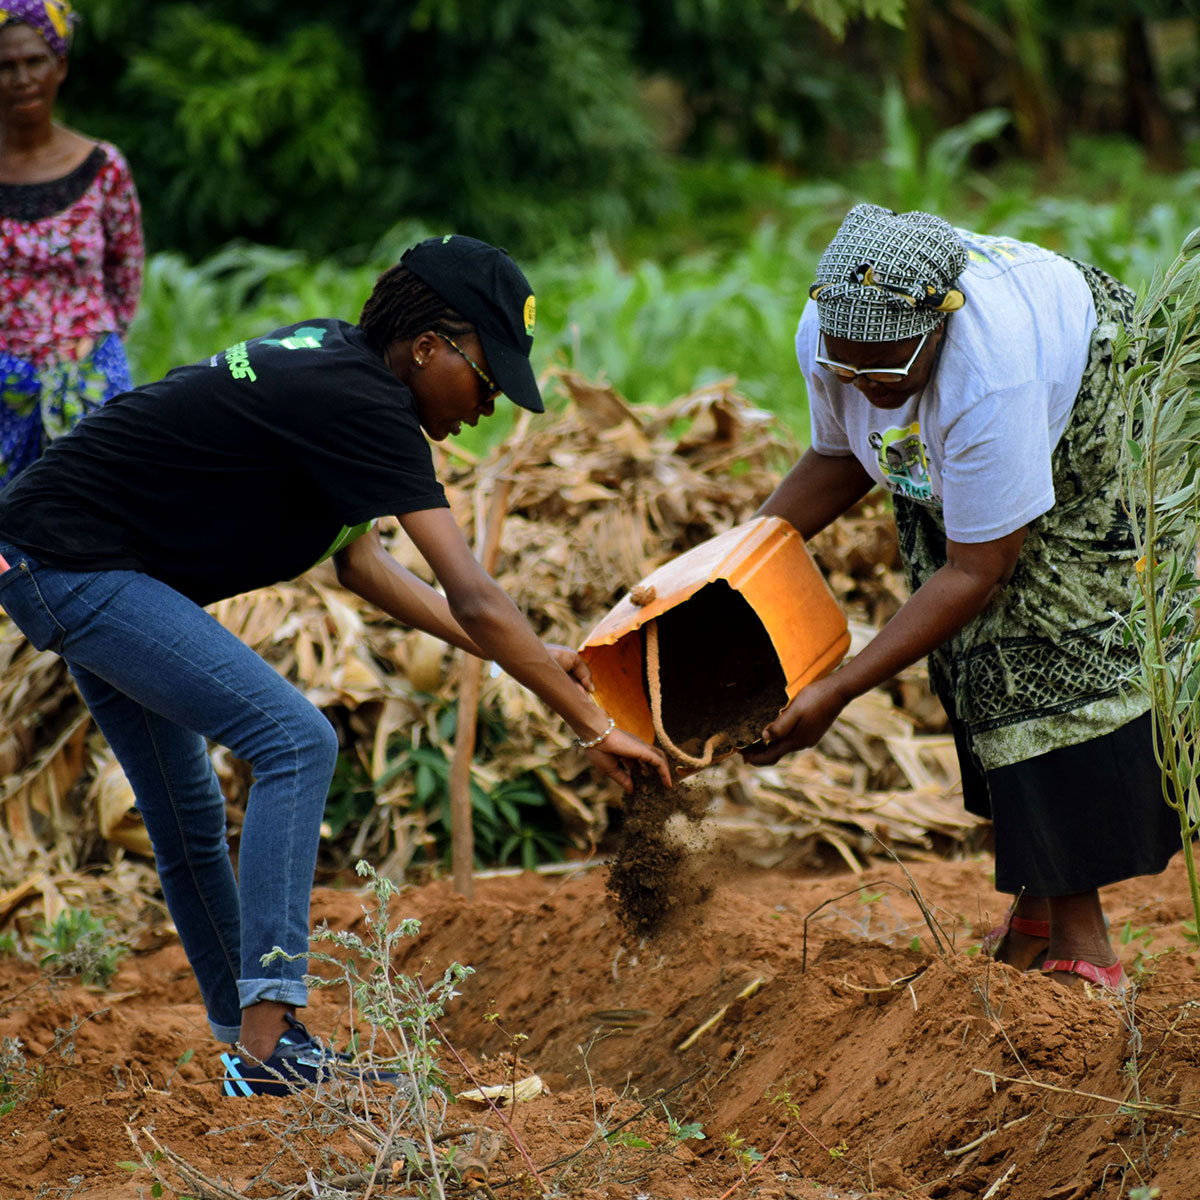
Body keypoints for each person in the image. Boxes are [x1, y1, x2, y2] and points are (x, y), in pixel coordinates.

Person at [0, 233, 672, 1095]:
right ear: (428, 345)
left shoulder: (342, 372)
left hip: (72, 562)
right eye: (486, 376)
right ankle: (274, 1041)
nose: (489, 403)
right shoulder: (365, 404)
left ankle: (248, 1049)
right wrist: (591, 727)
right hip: (74, 563)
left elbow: (364, 566)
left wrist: (528, 654)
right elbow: (470, 592)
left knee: (183, 809)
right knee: (296, 741)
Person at [744, 203, 1181, 993]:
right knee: (959, 648)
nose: (866, 388)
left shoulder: (992, 372)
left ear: (939, 329)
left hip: (1089, 394)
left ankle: (1088, 949)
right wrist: (731, 566)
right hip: (964, 432)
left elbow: (981, 568)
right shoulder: (837, 337)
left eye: (885, 371)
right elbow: (841, 455)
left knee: (1041, 652)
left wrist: (838, 689)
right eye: (848, 371)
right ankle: (1038, 910)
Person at [0, 0, 143, 484]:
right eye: (6, 65)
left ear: (59, 66)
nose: (22, 78)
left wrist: (85, 351)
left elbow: (126, 277)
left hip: (91, 383)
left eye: (34, 61)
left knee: (98, 516)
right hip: (2, 389)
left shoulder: (103, 167)